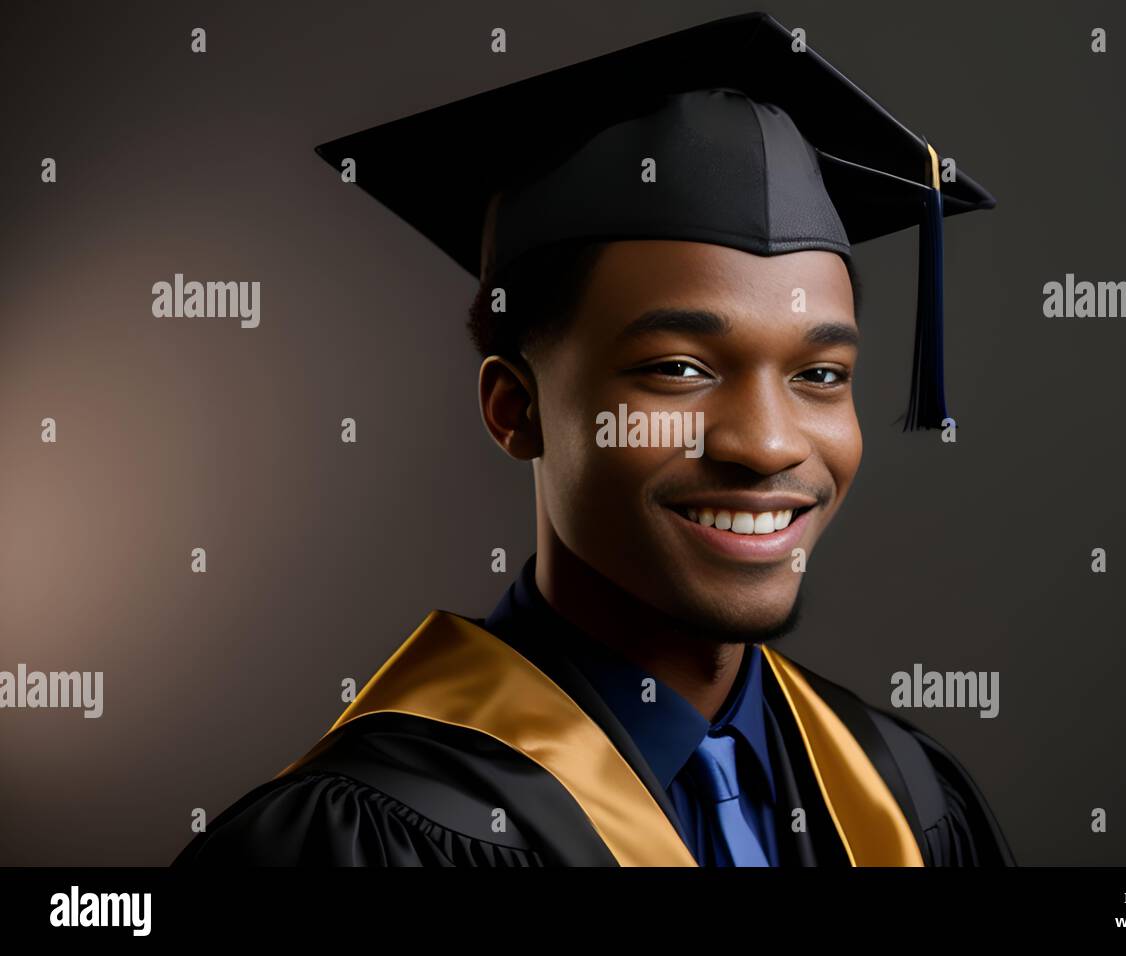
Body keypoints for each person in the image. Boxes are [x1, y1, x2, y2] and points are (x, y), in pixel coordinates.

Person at [174, 11, 1014, 867]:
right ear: (516, 409)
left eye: (820, 376)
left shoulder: (906, 797)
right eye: (679, 370)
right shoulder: (363, 840)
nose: (767, 446)